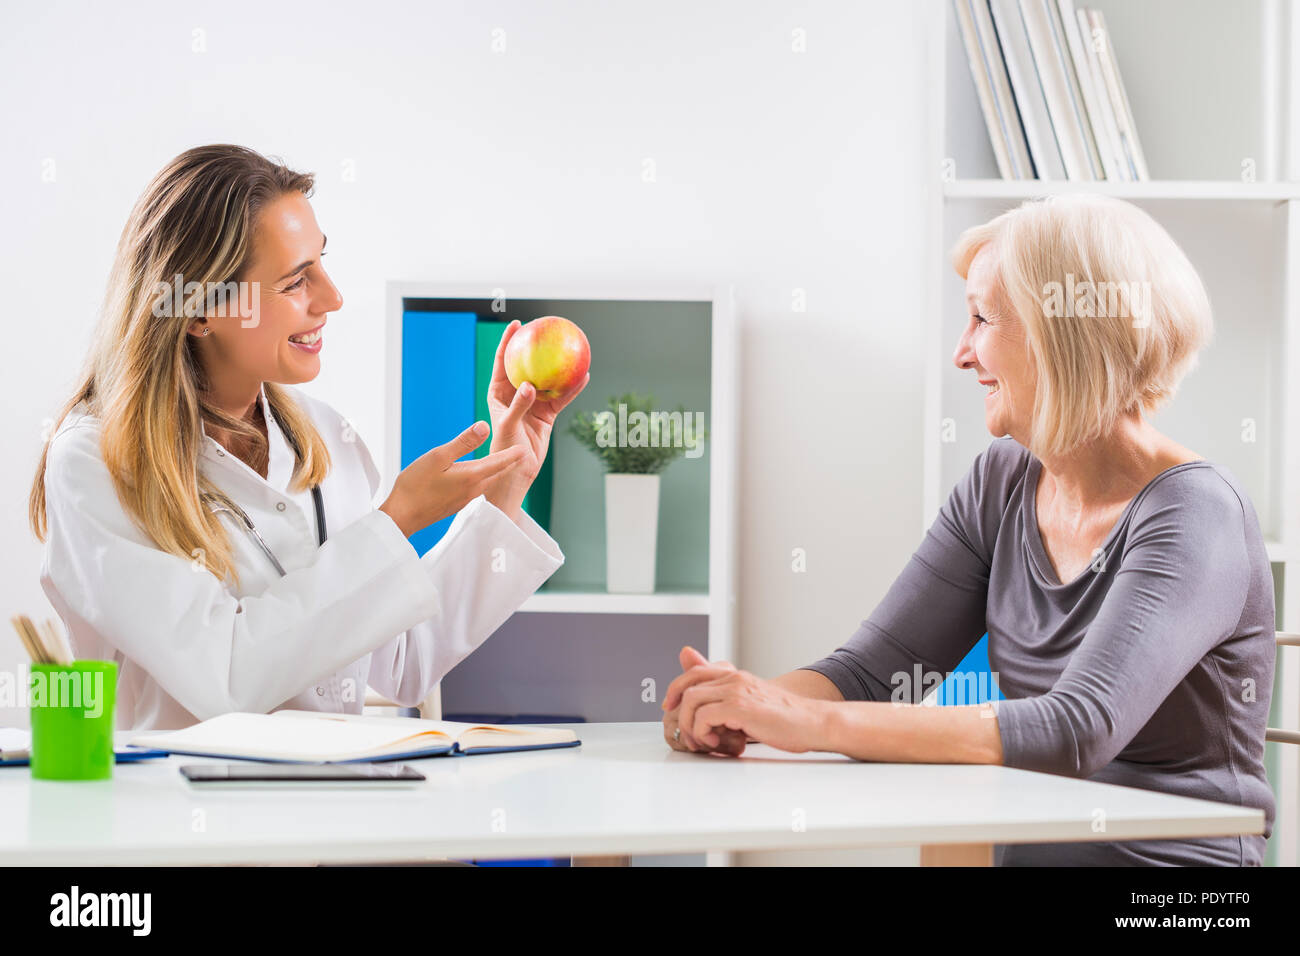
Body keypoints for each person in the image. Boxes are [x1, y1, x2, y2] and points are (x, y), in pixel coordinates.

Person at [662, 194, 1276, 866]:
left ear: (1060, 334)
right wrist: (740, 709)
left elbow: (1079, 728)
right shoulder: (1003, 482)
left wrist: (805, 725)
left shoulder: (1197, 512)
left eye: (982, 318)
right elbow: (872, 671)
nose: (961, 354)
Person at [28, 144, 588, 731]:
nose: (332, 298)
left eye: (322, 262)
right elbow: (224, 678)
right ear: (198, 312)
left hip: (330, 807)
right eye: (297, 280)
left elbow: (403, 662)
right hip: (179, 810)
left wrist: (506, 480)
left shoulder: (326, 437)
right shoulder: (96, 461)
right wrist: (395, 521)